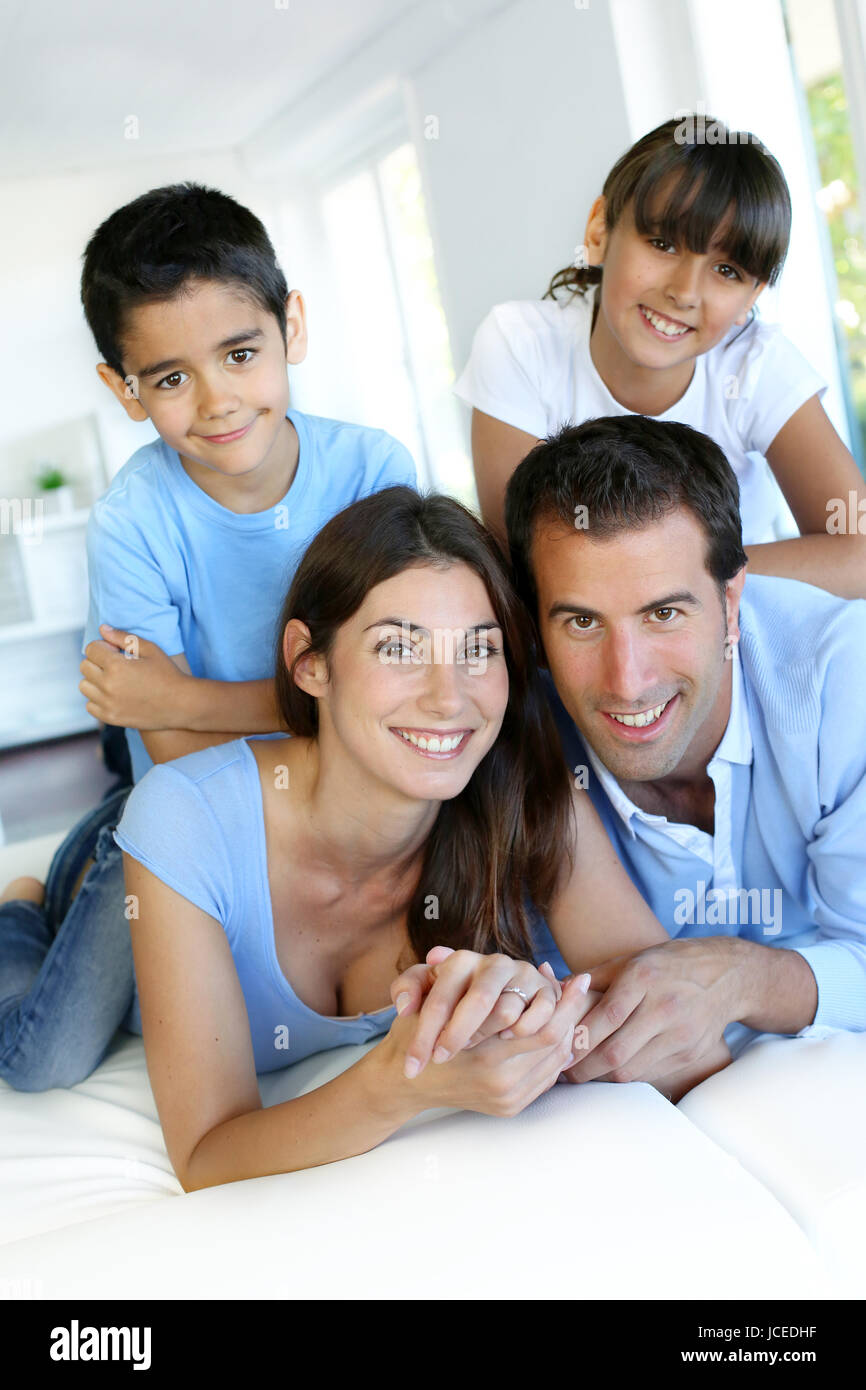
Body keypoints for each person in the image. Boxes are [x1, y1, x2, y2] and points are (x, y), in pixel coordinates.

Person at [113, 486, 730, 1191]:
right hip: (116, 882)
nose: (448, 697)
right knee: (43, 1045)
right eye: (399, 648)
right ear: (310, 661)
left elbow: (665, 1019)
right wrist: (404, 1083)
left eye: (479, 650)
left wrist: (538, 1021)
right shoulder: (183, 821)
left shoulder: (525, 789)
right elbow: (205, 1159)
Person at [0, 183, 415, 1091]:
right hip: (189, 817)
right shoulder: (132, 522)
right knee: (44, 1060)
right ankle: (29, 900)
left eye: (240, 353)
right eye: (172, 379)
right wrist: (318, 703)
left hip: (327, 812)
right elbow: (176, 753)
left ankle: (86, 853)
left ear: (290, 328)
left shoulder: (376, 470)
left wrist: (182, 693)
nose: (218, 401)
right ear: (124, 390)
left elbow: (396, 687)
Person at [501, 412, 866, 1086]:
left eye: (663, 613)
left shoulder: (844, 677)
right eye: (582, 622)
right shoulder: (507, 726)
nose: (628, 679)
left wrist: (746, 978)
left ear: (731, 603)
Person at [454, 116, 866, 599]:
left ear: (751, 298)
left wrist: (688, 576)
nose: (684, 292)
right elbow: (523, 567)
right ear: (599, 231)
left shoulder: (756, 367)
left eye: (727, 270)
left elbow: (856, 552)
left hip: (735, 630)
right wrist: (667, 580)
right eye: (663, 244)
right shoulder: (521, 344)